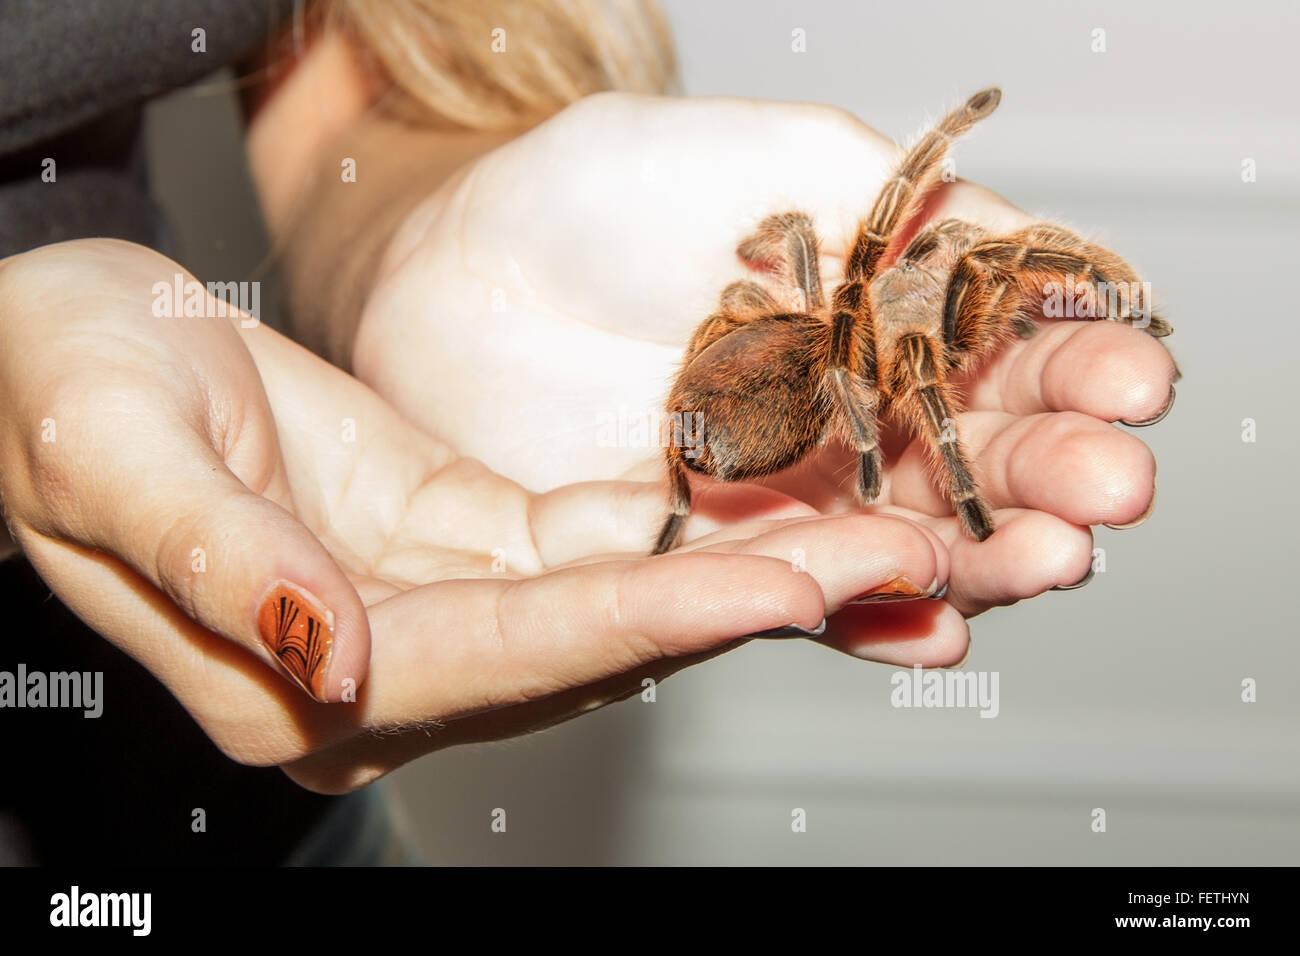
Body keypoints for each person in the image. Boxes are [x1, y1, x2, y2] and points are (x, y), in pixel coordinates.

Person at [0, 0, 1173, 863]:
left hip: (209, 813)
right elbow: (882, 333)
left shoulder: (803, 304)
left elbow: (341, 69)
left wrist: (426, 221)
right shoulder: (875, 332)